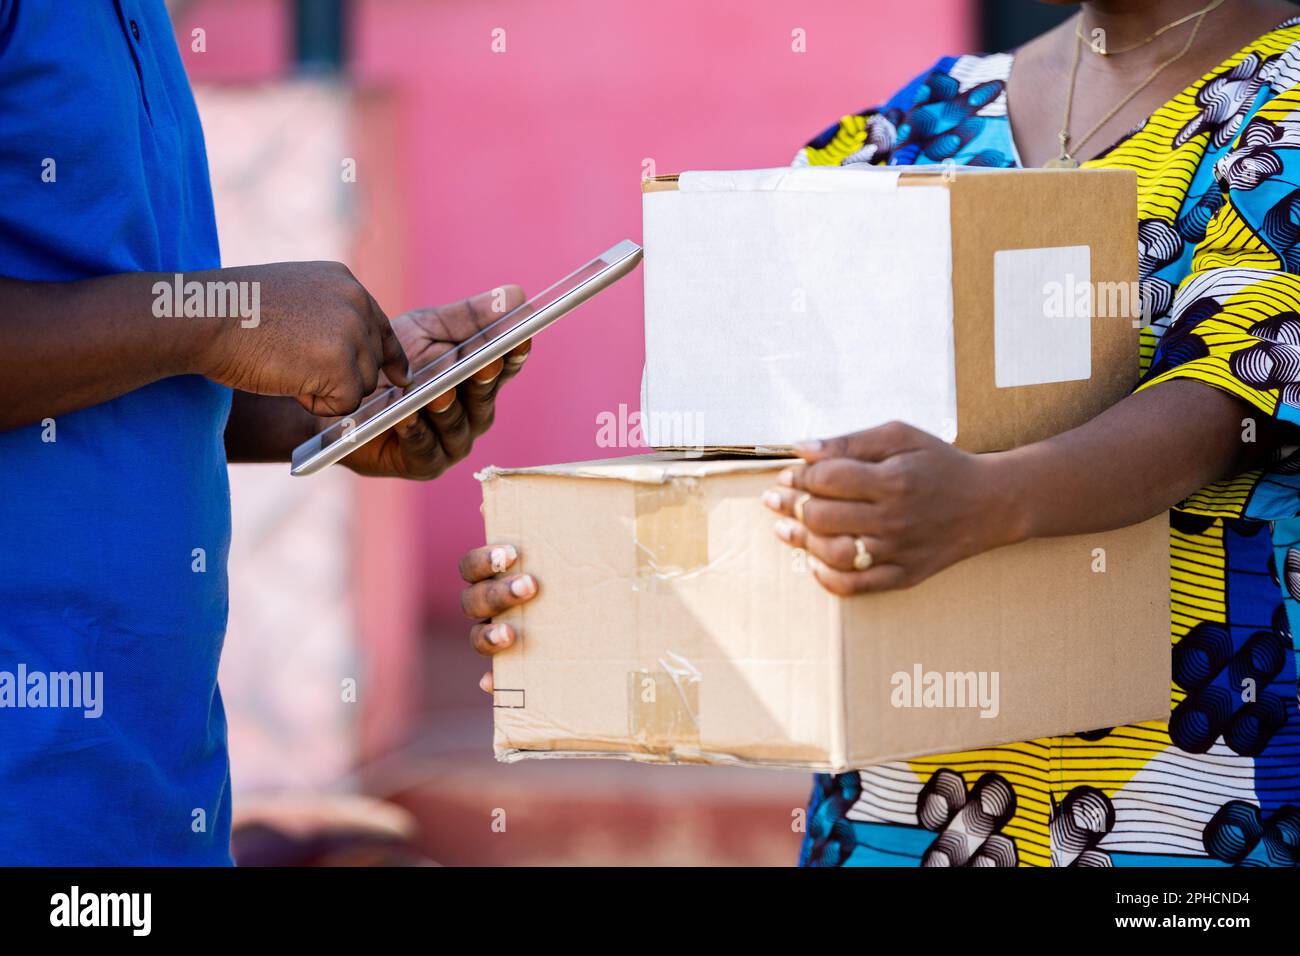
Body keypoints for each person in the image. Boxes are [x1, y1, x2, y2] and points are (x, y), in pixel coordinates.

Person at [462, 0, 1300, 867]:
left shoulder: (1286, 103)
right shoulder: (914, 127)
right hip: (903, 806)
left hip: (1186, 803)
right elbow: (757, 440)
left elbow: (1226, 395)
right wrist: (585, 599)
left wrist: (987, 502)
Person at [0, 2, 528, 864]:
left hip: (157, 797)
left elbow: (117, 372)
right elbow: (187, 328)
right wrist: (222, 316)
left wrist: (334, 410)